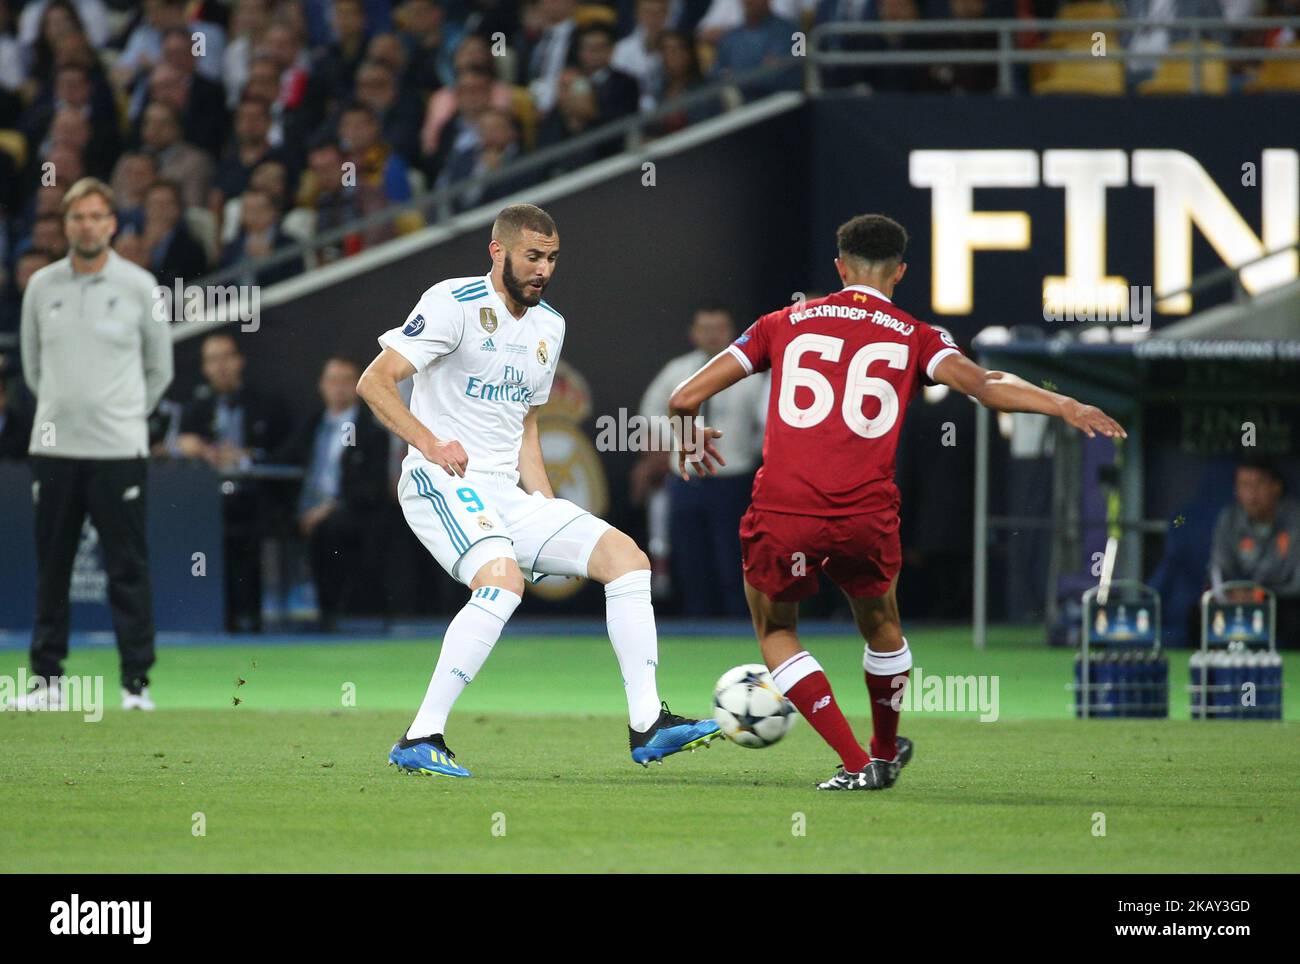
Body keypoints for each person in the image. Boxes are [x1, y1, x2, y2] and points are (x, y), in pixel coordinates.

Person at [667, 213, 1125, 790]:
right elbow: (985, 385)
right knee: (882, 624)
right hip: (865, 514)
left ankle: (856, 762)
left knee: (778, 629)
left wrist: (687, 433)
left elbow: (685, 398)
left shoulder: (781, 322)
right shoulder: (915, 334)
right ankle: (883, 752)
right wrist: (1065, 406)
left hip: (784, 510)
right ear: (900, 271)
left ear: (839, 267)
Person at [356, 203, 721, 779]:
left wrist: (547, 503)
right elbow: (374, 381)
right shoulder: (453, 303)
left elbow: (524, 422)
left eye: (551, 258)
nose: (543, 269)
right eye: (533, 256)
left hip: (506, 491)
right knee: (502, 582)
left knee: (626, 561)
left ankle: (649, 723)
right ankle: (420, 735)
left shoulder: (550, 325)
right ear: (497, 251)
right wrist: (428, 443)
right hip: (441, 481)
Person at [15, 177, 173, 711]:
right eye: (76, 216)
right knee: (52, 566)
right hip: (54, 449)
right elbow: (33, 368)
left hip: (119, 451)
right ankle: (47, 683)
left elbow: (160, 370)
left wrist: (121, 417)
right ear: (65, 224)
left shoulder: (141, 287)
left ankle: (136, 686)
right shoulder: (40, 287)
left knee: (127, 567)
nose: (86, 225)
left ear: (112, 223)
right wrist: (65, 414)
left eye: (96, 216)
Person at [635, 303, 765, 616]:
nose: (711, 335)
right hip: (687, 478)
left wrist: (753, 454)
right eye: (704, 328)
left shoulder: (752, 374)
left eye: (718, 328)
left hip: (733, 478)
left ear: (731, 331)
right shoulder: (677, 371)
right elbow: (648, 415)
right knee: (690, 558)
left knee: (733, 558)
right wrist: (679, 441)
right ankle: (696, 624)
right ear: (693, 333)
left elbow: (767, 422)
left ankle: (737, 624)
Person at [177, 332, 291, 632]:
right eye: (212, 360)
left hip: (257, 498)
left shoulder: (267, 403)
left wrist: (245, 457)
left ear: (239, 361)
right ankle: (213, 620)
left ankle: (251, 619)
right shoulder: (195, 408)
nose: (221, 366)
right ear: (205, 368)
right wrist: (203, 451)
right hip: (208, 503)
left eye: (226, 357)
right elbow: (181, 445)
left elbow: (286, 449)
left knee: (249, 538)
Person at [280, 355, 391, 629]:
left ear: (358, 385)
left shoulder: (372, 432)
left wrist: (326, 509)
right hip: (303, 509)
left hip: (347, 512)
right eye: (333, 380)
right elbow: (284, 457)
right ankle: (257, 617)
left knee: (330, 530)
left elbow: (370, 487)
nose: (338, 387)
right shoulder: (312, 425)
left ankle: (329, 615)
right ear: (322, 385)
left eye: (346, 381)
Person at [1210, 457, 1300, 648]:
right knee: (1202, 613)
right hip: (1242, 598)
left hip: (1286, 601)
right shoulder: (1230, 519)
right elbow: (1219, 568)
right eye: (1244, 485)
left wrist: (1261, 595)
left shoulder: (1295, 520)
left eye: (1259, 484)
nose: (1252, 494)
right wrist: (1232, 592)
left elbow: (1296, 580)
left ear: (1276, 488)